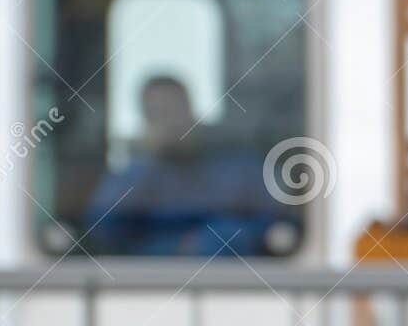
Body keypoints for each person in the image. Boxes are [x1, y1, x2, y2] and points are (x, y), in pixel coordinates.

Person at [82, 74, 291, 256]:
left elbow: (278, 222)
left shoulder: (238, 164)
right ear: (147, 121)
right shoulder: (134, 176)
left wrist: (219, 239)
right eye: (158, 114)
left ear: (191, 110)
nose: (171, 122)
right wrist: (149, 163)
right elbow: (102, 232)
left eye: (175, 110)